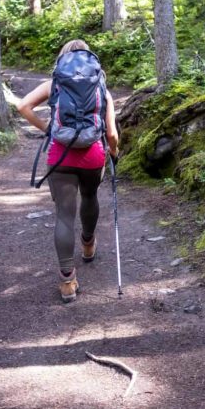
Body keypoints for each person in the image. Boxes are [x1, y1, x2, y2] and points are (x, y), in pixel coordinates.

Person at [16, 40, 119, 303]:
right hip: (93, 154)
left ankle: (67, 281)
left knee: (64, 213)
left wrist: (47, 128)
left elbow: (22, 107)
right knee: (90, 196)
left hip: (60, 154)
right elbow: (111, 134)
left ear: (63, 60)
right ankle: (87, 244)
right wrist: (114, 152)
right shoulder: (101, 87)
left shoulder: (55, 84)